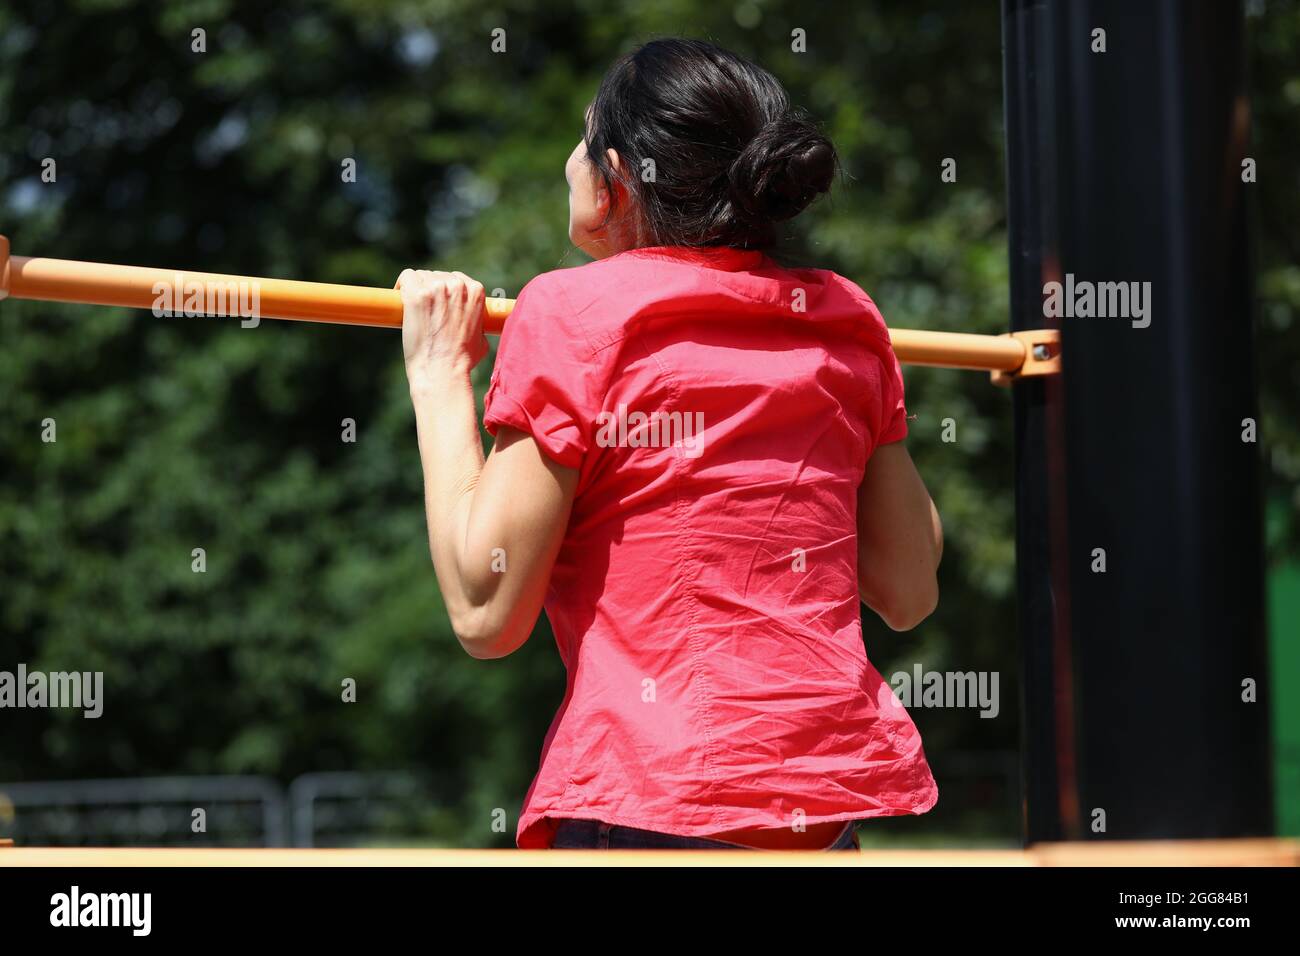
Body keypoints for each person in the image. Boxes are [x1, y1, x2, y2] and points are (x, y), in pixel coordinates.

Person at [396, 37, 942, 851]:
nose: (570, 163)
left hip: (653, 802)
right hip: (820, 818)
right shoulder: (845, 319)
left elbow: (486, 610)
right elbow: (909, 586)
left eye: (582, 141)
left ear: (616, 176)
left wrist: (440, 374)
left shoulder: (572, 314)